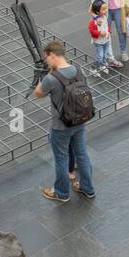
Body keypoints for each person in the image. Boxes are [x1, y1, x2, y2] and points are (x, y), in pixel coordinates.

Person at [33, 40, 96, 203]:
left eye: (46, 57)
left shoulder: (51, 78)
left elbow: (38, 93)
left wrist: (46, 74)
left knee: (61, 159)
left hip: (61, 126)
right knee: (82, 154)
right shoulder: (78, 70)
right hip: (80, 121)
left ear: (52, 55)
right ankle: (87, 188)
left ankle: (62, 193)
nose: (46, 61)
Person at [88, 0, 112, 75]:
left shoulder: (104, 17)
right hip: (99, 42)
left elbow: (107, 26)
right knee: (100, 56)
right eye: (103, 9)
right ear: (97, 12)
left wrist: (108, 32)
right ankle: (93, 68)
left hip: (106, 40)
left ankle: (102, 65)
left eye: (106, 8)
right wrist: (99, 33)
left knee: (104, 55)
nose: (106, 10)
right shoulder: (94, 21)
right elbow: (91, 31)